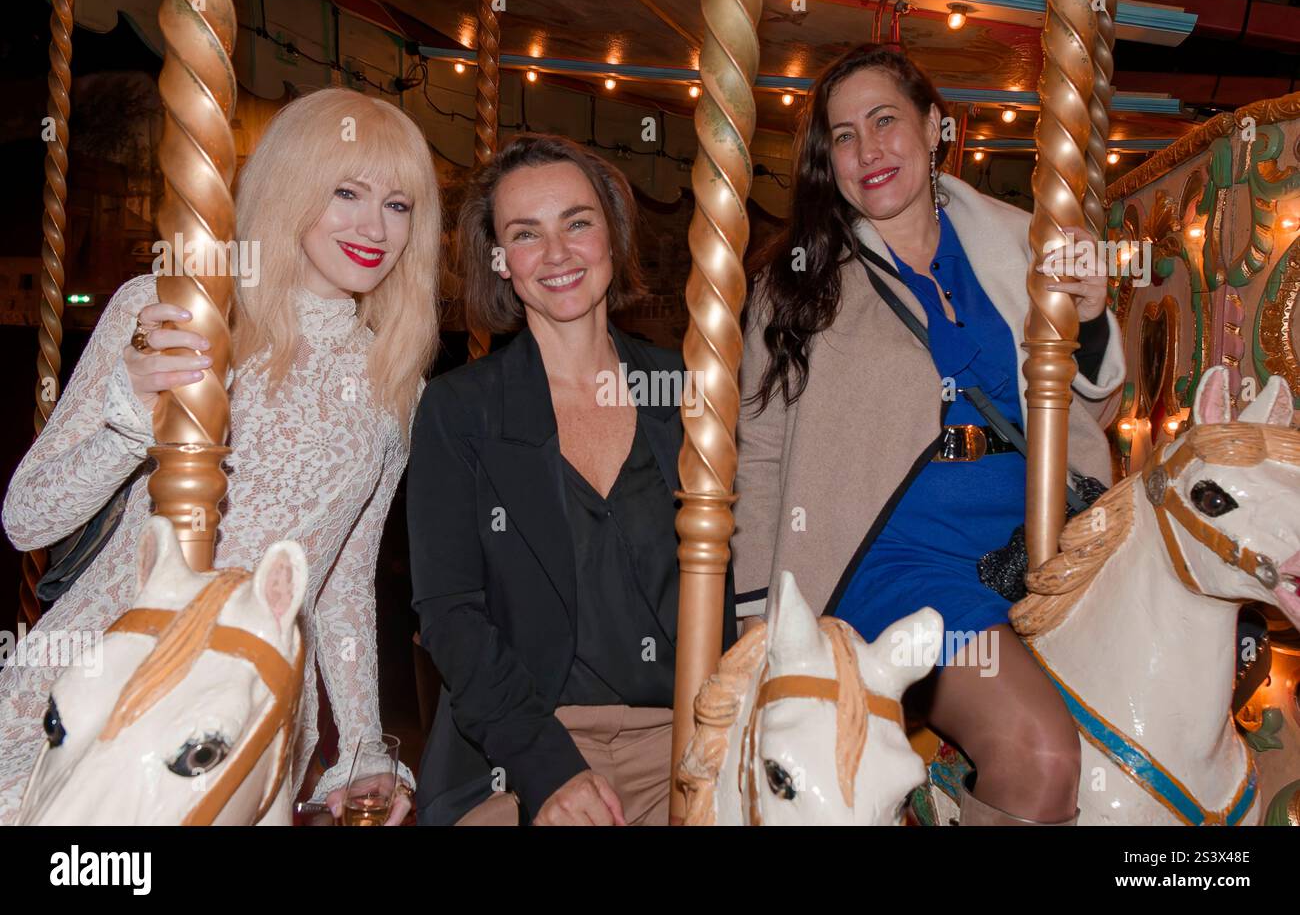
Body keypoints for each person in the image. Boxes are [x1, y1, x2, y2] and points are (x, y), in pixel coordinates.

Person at [0, 88, 440, 824]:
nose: (376, 227)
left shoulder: (394, 380)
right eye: (347, 192)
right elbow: (28, 518)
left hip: (240, 717)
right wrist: (130, 412)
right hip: (98, 677)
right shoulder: (172, 309)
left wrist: (361, 747)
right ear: (290, 187)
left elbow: (342, 585)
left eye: (399, 206)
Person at [733, 45, 1124, 825]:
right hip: (899, 556)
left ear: (936, 126)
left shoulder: (1022, 242)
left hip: (1038, 532)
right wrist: (758, 617)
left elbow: (1095, 409)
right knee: (1041, 752)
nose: (866, 149)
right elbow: (763, 448)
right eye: (842, 136)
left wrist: (1089, 317)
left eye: (885, 121)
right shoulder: (801, 279)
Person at [407, 133, 736, 826]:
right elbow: (450, 614)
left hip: (681, 741)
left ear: (611, 236)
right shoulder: (461, 409)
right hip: (517, 747)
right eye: (526, 234)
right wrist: (546, 768)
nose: (557, 255)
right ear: (499, 262)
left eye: (577, 222)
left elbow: (735, 582)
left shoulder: (681, 389)